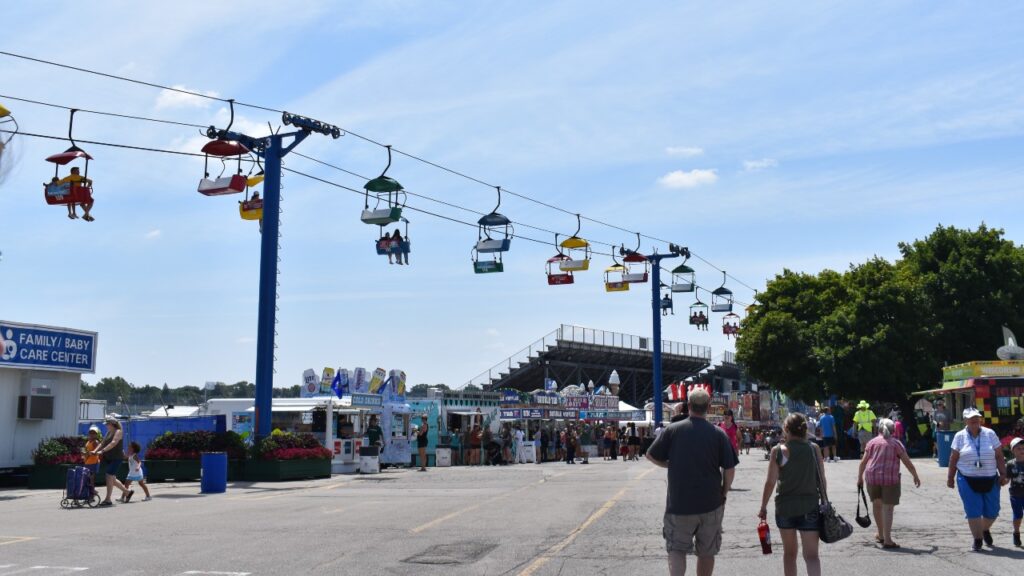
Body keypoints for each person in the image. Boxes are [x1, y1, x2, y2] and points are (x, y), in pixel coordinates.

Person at [647, 387, 737, 576]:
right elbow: (729, 469)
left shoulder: (673, 430)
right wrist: (724, 493)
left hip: (679, 504)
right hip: (711, 503)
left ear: (688, 406)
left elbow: (650, 454)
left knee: (677, 550)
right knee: (707, 552)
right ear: (709, 407)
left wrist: (669, 465)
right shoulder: (719, 434)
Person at [758, 413, 825, 576]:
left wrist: (763, 507)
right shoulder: (813, 448)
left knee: (789, 555)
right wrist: (824, 501)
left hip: (785, 508)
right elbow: (821, 479)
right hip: (810, 507)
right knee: (812, 556)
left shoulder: (778, 451)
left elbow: (770, 482)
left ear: (786, 429)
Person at [947, 407, 1010, 551]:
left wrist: (1003, 474)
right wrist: (950, 477)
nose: (975, 420)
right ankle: (977, 539)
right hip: (967, 478)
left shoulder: (990, 433)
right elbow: (953, 458)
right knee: (973, 510)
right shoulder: (960, 436)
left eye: (977, 417)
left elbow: (999, 456)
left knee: (993, 511)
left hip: (990, 477)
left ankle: (984, 529)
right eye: (971, 418)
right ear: (965, 420)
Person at [857, 418, 920, 548]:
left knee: (877, 505)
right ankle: (888, 540)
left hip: (872, 477)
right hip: (890, 479)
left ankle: (880, 534)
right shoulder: (896, 444)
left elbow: (863, 462)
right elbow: (906, 461)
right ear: (893, 430)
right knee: (888, 508)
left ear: (879, 429)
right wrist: (915, 475)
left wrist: (859, 478)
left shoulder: (871, 443)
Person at [90, 417, 131, 506]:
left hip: (117, 458)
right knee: (113, 479)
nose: (106, 425)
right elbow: (102, 443)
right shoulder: (109, 432)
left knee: (109, 475)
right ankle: (127, 492)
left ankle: (108, 499)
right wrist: (95, 451)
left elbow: (113, 443)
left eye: (107, 424)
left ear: (112, 424)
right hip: (109, 458)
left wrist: (102, 451)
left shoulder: (118, 431)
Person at [1005, 437, 1023, 547]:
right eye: (1019, 448)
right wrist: (1001, 480)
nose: (1022, 450)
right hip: (1016, 495)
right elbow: (1007, 479)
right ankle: (1016, 532)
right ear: (1013, 450)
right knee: (1018, 516)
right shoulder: (1011, 464)